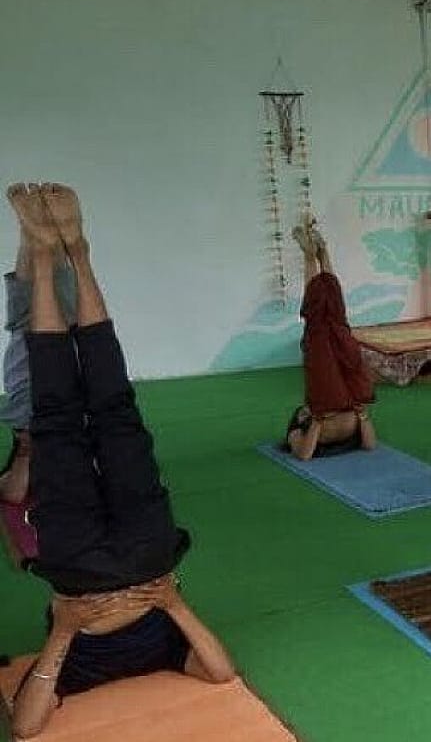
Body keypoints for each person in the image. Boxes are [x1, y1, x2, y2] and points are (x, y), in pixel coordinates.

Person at [6, 183, 234, 738]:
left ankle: (44, 254)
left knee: (58, 418)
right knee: (112, 411)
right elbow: (222, 673)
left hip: (79, 569)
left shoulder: (72, 673)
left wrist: (63, 632)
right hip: (145, 558)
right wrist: (173, 605)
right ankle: (76, 255)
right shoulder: (167, 650)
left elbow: (25, 728)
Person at [283, 215, 376, 460]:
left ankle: (314, 253)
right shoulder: (341, 417)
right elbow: (369, 445)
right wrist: (361, 414)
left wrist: (316, 419)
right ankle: (319, 252)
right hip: (345, 390)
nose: (302, 412)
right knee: (334, 312)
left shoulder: (301, 429)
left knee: (324, 314)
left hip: (330, 394)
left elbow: (303, 453)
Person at [0, 231, 76, 504]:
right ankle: (45, 229)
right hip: (65, 371)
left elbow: (13, 493)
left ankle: (28, 228)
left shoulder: (26, 443)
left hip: (29, 394)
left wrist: (26, 448)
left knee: (23, 318)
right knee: (63, 309)